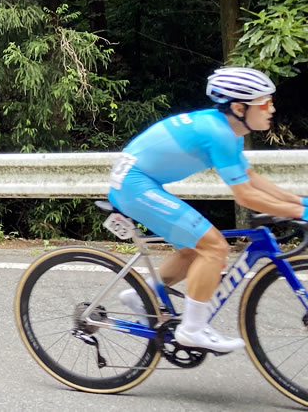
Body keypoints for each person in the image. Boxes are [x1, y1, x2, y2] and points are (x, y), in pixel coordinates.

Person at [110, 66, 307, 353]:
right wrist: (297, 213)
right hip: (133, 186)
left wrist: (299, 202)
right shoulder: (219, 133)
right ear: (239, 108)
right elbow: (246, 197)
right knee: (214, 247)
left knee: (193, 251)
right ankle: (192, 329)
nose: (272, 108)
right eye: (265, 103)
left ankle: (142, 295)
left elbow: (251, 179)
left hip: (139, 181)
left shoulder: (231, 131)